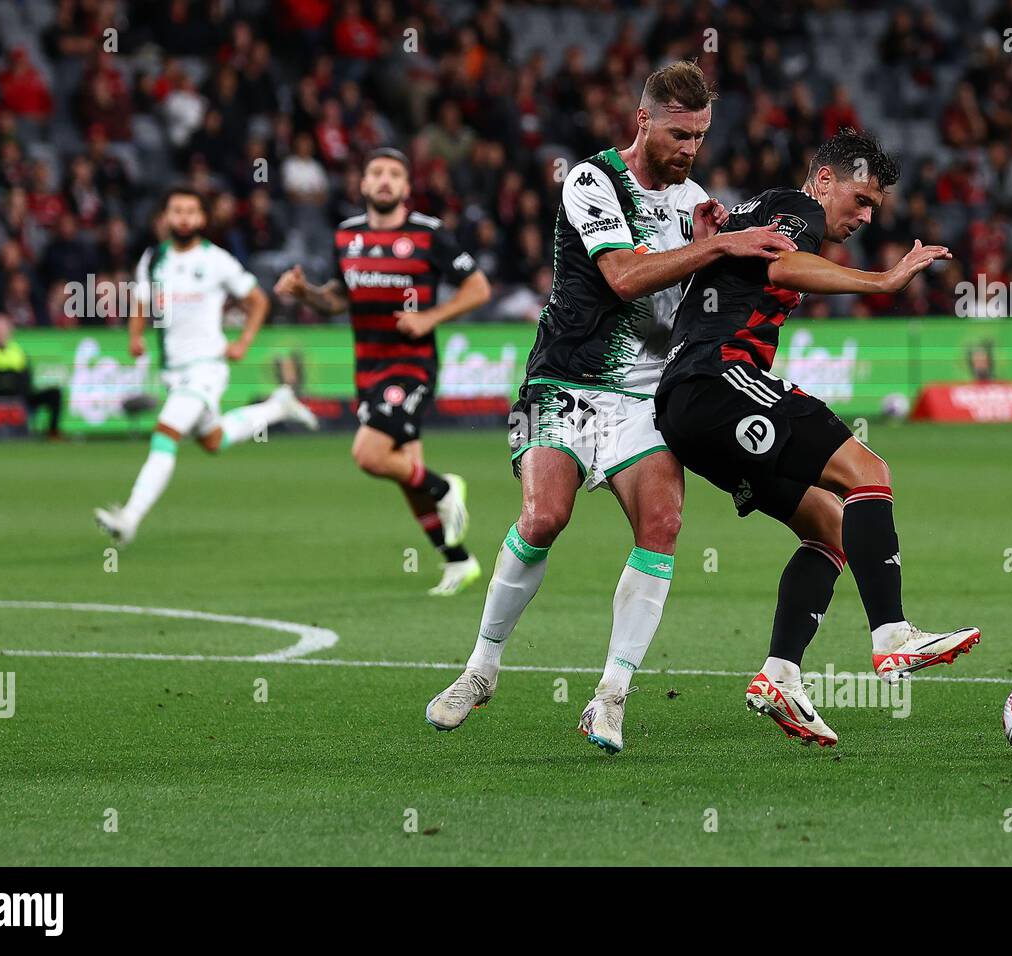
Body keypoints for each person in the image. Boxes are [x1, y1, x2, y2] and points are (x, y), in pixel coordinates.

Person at [424, 61, 800, 754]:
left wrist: (723, 251)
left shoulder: (698, 203)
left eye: (701, 135)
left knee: (663, 522)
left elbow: (713, 291)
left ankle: (610, 696)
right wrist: (714, 244)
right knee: (543, 516)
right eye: (680, 133)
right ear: (643, 121)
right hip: (560, 381)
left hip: (644, 391)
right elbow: (623, 277)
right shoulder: (592, 179)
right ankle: (481, 668)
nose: (690, 148)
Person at [655, 129, 981, 747]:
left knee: (828, 527)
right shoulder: (796, 209)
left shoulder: (755, 211)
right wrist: (882, 282)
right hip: (718, 382)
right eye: (858, 200)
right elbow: (780, 263)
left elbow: (735, 274)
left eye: (874, 210)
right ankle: (892, 636)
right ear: (824, 180)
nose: (862, 216)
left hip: (687, 409)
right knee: (868, 472)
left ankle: (779, 674)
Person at [275, 148, 492, 597]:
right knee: (403, 469)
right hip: (368, 368)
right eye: (376, 172)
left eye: (395, 173)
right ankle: (458, 560)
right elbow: (338, 298)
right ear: (363, 184)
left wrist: (430, 318)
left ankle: (445, 486)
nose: (386, 180)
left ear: (407, 188)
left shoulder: (431, 235)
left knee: (370, 455)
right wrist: (305, 293)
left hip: (411, 365)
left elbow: (478, 287)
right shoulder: (346, 237)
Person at [94, 188, 319, 546]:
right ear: (166, 218)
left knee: (166, 432)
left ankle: (130, 517)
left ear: (201, 219)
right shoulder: (152, 260)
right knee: (214, 440)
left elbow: (258, 300)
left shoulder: (217, 260)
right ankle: (278, 406)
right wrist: (134, 338)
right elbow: (141, 303)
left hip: (207, 368)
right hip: (174, 372)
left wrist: (243, 341)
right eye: (176, 211)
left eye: (190, 211)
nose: (183, 218)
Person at [0, 312, 63, 438]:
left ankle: (53, 433)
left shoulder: (17, 350)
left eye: (4, 328)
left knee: (54, 394)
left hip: (21, 396)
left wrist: (9, 376)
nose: (1, 332)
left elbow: (26, 377)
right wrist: (12, 376)